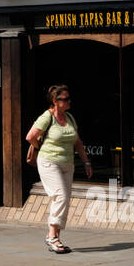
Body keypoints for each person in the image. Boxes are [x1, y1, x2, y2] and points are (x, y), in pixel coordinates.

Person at [25, 84, 93, 254]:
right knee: (60, 196)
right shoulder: (47, 117)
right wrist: (39, 145)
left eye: (69, 98)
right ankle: (52, 236)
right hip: (49, 162)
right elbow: (30, 136)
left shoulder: (69, 117)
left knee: (63, 199)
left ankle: (56, 237)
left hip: (67, 163)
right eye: (65, 99)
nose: (69, 101)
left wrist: (86, 162)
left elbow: (78, 142)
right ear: (55, 101)